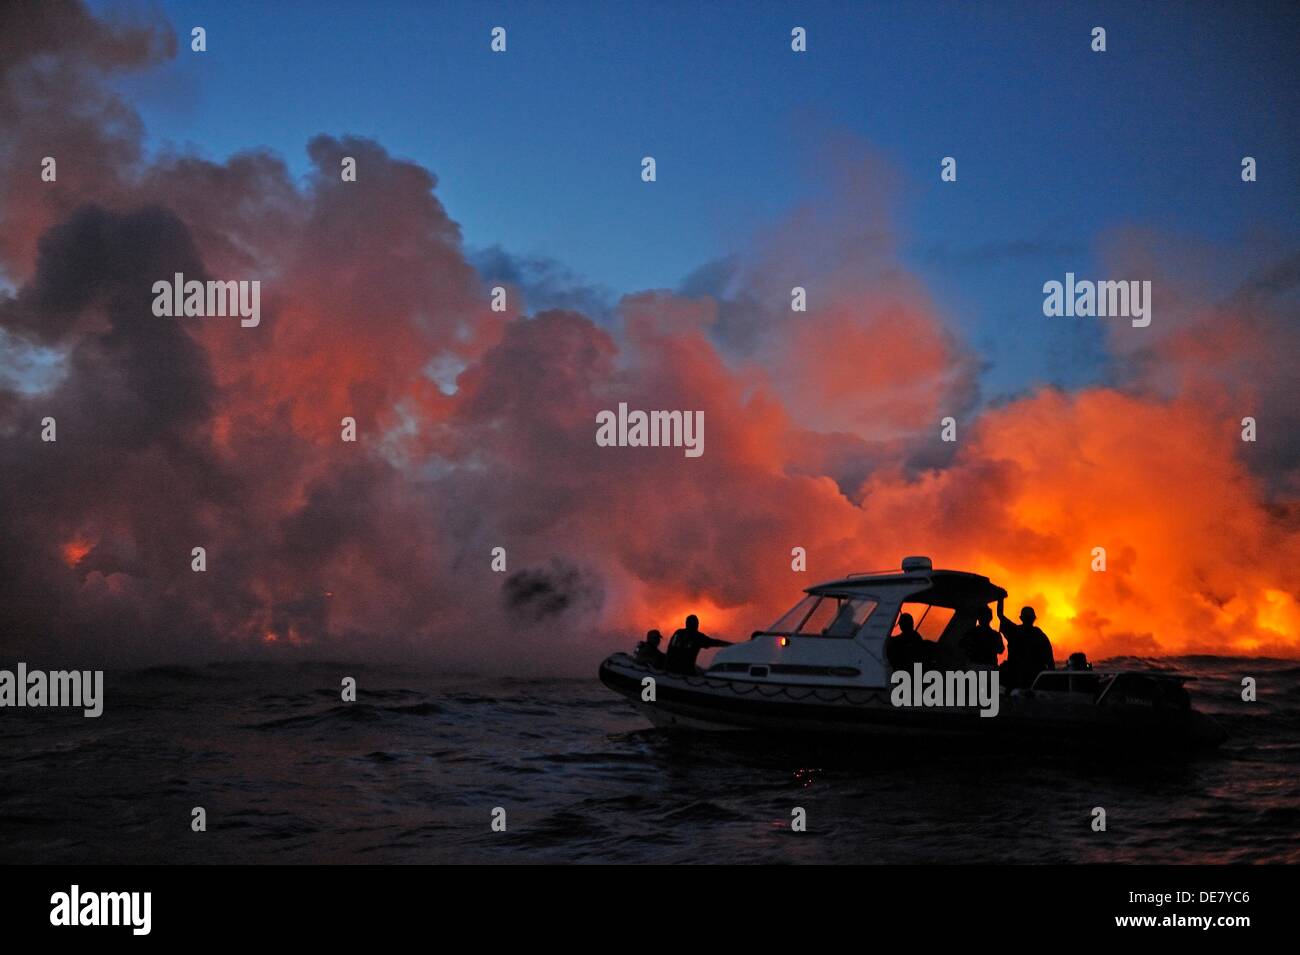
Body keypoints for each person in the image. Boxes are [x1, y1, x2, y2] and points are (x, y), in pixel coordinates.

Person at [996, 598, 1055, 688]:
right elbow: (1050, 659)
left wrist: (1001, 598)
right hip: (1033, 677)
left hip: (1015, 676)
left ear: (1021, 618)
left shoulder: (1014, 631)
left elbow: (1000, 615)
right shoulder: (1039, 635)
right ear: (1034, 618)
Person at [663, 615, 733, 675]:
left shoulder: (678, 632)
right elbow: (715, 642)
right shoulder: (697, 636)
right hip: (684, 672)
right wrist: (733, 646)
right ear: (696, 625)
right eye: (696, 623)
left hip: (668, 668)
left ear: (686, 624)